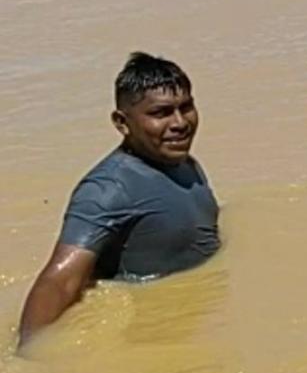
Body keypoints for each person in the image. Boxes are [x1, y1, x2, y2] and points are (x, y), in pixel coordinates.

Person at [16, 54, 220, 350]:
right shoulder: (108, 188)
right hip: (151, 339)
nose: (180, 123)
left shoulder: (185, 165)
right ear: (122, 123)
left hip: (199, 322)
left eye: (186, 107)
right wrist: (31, 358)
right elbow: (59, 281)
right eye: (161, 113)